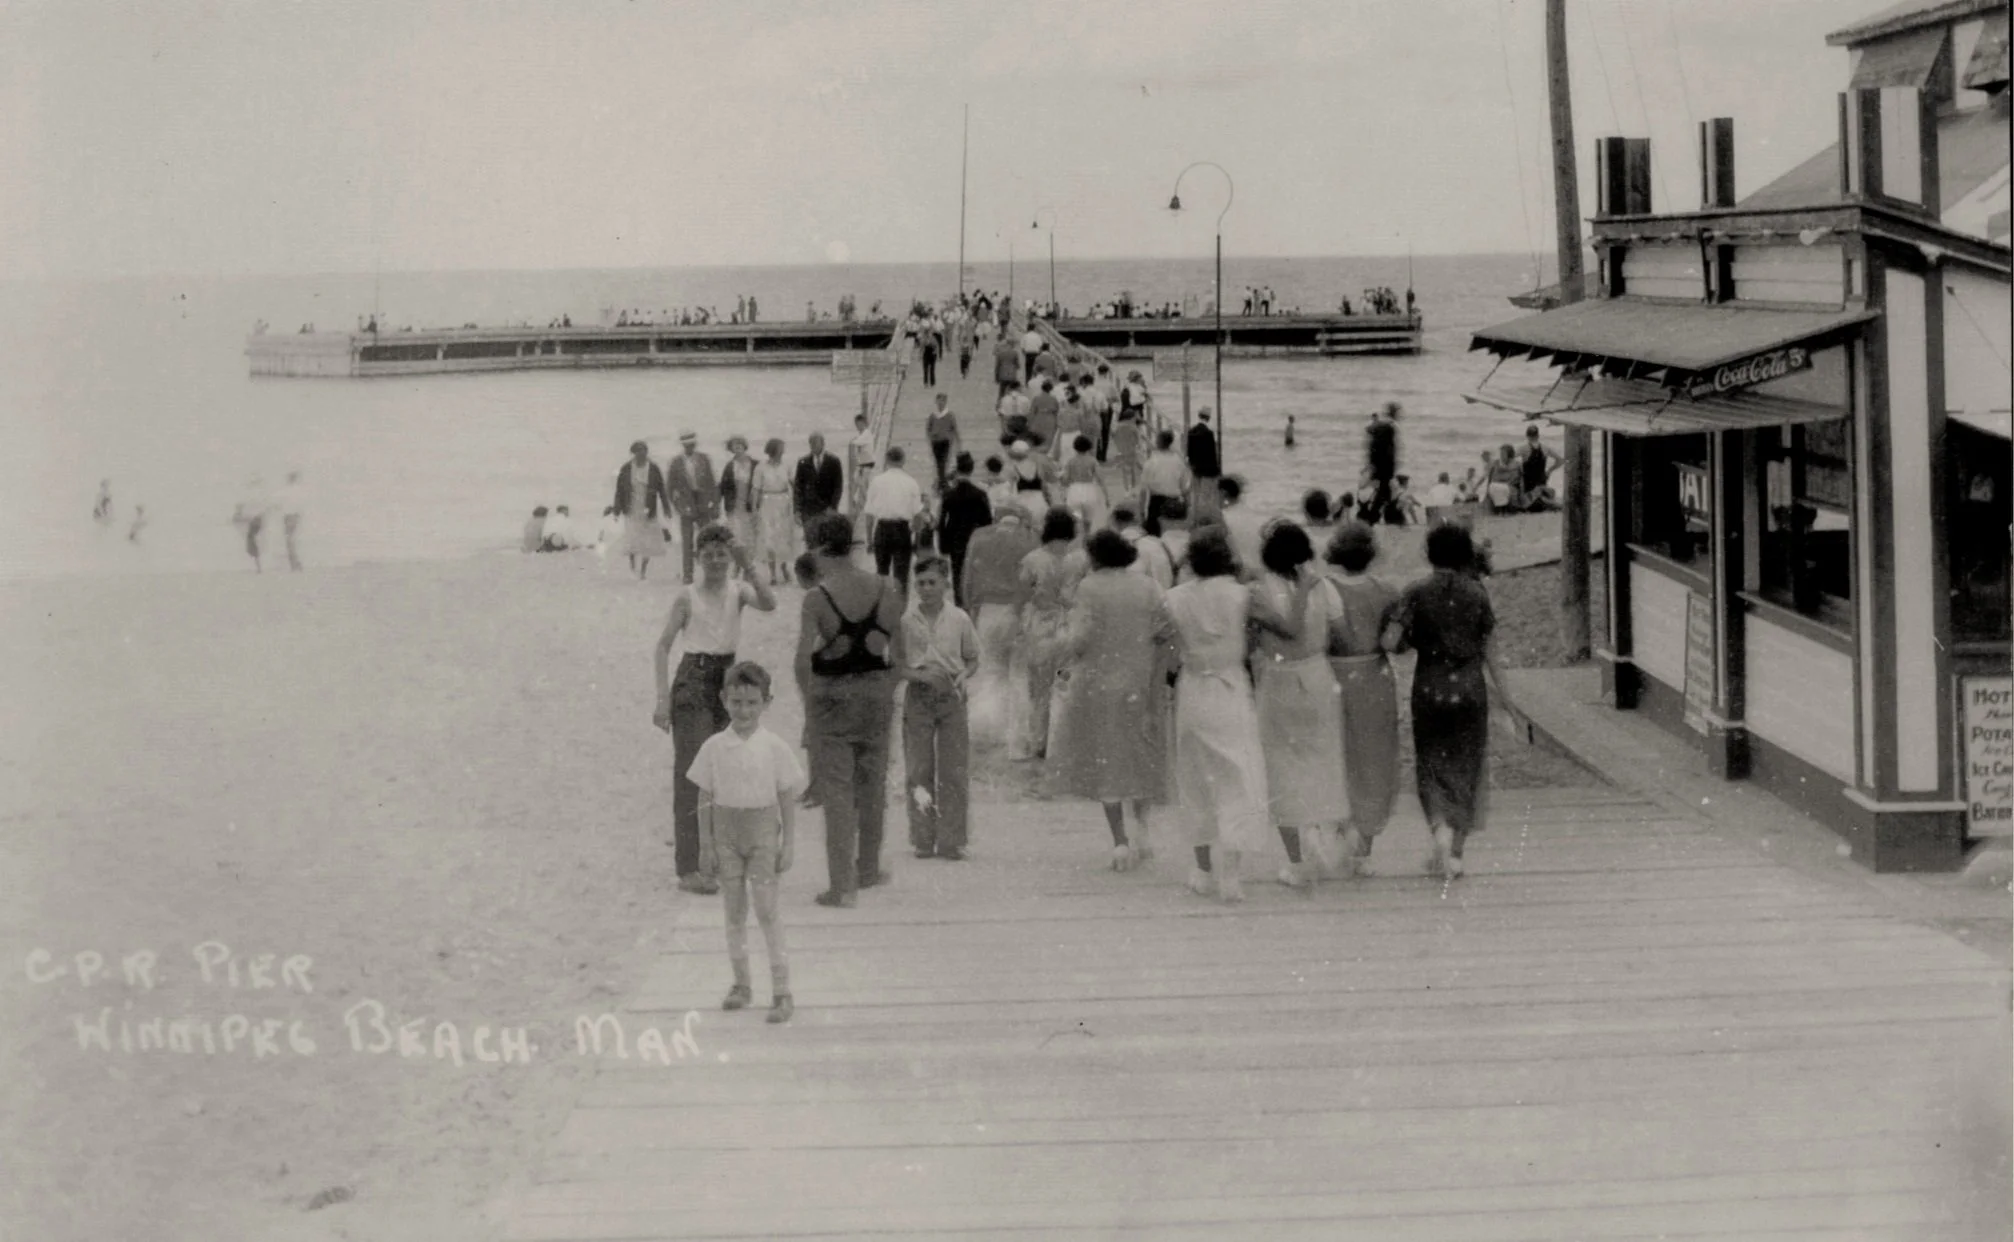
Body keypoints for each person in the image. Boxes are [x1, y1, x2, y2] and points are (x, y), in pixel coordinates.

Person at [654, 524, 777, 895]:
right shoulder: (687, 596)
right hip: (693, 678)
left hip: (728, 680)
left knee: (728, 770)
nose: (715, 561)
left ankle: (721, 858)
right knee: (693, 773)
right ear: (698, 558)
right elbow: (662, 646)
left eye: (722, 554)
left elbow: (770, 603)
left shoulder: (739, 590)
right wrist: (662, 700)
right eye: (708, 554)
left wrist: (747, 563)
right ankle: (689, 867)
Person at [1384, 522, 1510, 879]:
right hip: (1470, 687)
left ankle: (1439, 827)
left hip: (1430, 685)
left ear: (1430, 554)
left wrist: (1412, 638)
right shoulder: (1477, 593)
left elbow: (1391, 642)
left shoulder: (1415, 591)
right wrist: (1508, 701)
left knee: (1431, 762)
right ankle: (1456, 853)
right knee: (1467, 766)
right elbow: (1491, 652)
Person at [1046, 529, 1173, 871]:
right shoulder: (1148, 586)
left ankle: (1120, 842)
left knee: (1107, 763)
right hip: (1141, 681)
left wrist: (1057, 650)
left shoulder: (1090, 587)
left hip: (1099, 684)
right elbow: (1165, 632)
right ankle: (1143, 828)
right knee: (1140, 757)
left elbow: (1080, 638)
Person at [798, 513, 907, 908]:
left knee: (838, 792)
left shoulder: (817, 597)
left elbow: (801, 662)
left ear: (818, 548)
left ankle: (842, 886)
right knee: (872, 786)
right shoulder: (888, 588)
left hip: (832, 698)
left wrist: (810, 708)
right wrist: (884, 692)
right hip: (876, 696)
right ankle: (868, 868)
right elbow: (901, 658)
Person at [687, 661, 804, 1024]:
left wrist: (789, 843)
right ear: (724, 699)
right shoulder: (713, 747)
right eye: (736, 702)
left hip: (763, 834)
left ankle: (781, 990)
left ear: (766, 703)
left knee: (767, 910)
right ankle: (741, 984)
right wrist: (706, 844)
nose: (744, 711)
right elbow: (704, 796)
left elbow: (786, 795)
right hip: (726, 836)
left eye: (752, 703)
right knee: (734, 910)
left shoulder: (774, 746)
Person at [1163, 529, 1274, 904]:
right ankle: (1232, 873)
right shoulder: (1243, 595)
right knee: (1238, 777)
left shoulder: (1175, 597)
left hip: (1194, 688)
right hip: (1231, 687)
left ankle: (1201, 869)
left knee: (1195, 779)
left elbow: (1164, 643)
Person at [1251, 522, 1344, 889]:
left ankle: (1296, 860)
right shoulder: (1324, 586)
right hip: (1317, 673)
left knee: (1281, 767)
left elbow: (1261, 637)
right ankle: (1318, 829)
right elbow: (1339, 633)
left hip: (1279, 677)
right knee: (1320, 759)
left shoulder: (1258, 591)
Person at [1322, 521, 1401, 875]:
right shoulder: (1386, 591)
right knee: (1374, 758)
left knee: (1336, 754)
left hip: (1332, 674)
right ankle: (1364, 847)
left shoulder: (1324, 589)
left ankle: (1340, 830)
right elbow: (1396, 643)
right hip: (1373, 676)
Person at [901, 556, 979, 861]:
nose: (926, 588)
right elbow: (895, 664)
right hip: (919, 696)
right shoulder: (906, 621)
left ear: (946, 583)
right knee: (918, 769)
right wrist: (918, 676)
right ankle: (922, 838)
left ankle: (952, 840)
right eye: (920, 583)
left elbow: (972, 658)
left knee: (954, 769)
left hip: (951, 697)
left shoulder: (959, 618)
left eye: (932, 582)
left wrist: (963, 675)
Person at [960, 505, 1036, 747]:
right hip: (1019, 611)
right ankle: (1018, 740)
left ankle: (986, 731)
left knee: (991, 673)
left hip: (988, 610)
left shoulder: (979, 537)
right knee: (1019, 676)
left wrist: (969, 608)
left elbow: (967, 576)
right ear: (1020, 519)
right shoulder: (1029, 539)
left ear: (996, 519)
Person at [1015, 507, 1078, 761]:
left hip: (1040, 627)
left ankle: (1039, 741)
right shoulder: (1079, 559)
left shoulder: (1032, 559)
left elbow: (1022, 594)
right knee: (1065, 684)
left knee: (1039, 688)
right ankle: (1063, 740)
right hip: (1070, 625)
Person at [862, 447, 927, 590]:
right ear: (903, 460)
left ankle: (883, 602)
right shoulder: (911, 482)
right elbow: (918, 516)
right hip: (901, 530)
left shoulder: (877, 481)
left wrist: (869, 540)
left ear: (886, 460)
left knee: (881, 575)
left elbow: (869, 514)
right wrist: (917, 542)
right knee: (901, 577)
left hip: (882, 529)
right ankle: (900, 602)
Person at [935, 452, 993, 607]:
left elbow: (941, 522)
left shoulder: (949, 495)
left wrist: (943, 546)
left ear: (957, 470)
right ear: (971, 469)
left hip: (955, 542)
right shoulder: (980, 494)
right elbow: (988, 521)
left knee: (957, 576)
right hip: (975, 540)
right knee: (974, 576)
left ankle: (959, 606)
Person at [667, 431, 721, 584]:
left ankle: (710, 573)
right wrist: (677, 505)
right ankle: (688, 574)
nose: (689, 447)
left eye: (691, 444)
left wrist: (715, 504)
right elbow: (670, 487)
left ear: (695, 444)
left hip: (703, 503)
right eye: (686, 445)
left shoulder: (704, 459)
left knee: (707, 541)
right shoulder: (676, 462)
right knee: (687, 542)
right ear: (682, 445)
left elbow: (712, 482)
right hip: (686, 505)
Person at [613, 441, 671, 580]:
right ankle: (633, 566)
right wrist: (616, 510)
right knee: (632, 539)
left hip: (648, 508)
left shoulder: (653, 468)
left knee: (648, 541)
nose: (641, 453)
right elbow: (619, 491)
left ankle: (643, 570)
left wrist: (666, 507)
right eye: (638, 451)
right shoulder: (626, 468)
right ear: (633, 453)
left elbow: (661, 489)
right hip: (631, 507)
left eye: (644, 450)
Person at [753, 439, 796, 585]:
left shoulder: (786, 465)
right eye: (780, 449)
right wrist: (754, 509)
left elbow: (794, 484)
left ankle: (783, 568)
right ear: (773, 450)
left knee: (783, 538)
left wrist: (798, 503)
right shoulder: (761, 467)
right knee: (769, 538)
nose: (782, 452)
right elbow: (756, 489)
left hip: (783, 503)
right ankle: (772, 573)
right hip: (767, 503)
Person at [792, 433, 846, 534]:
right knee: (810, 538)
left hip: (827, 509)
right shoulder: (803, 462)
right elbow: (798, 487)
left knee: (826, 537)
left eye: (815, 443)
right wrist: (797, 511)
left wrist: (833, 507)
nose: (813, 446)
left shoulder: (833, 461)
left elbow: (838, 487)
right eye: (811, 443)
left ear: (823, 444)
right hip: (808, 510)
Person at [1216, 476, 1266, 578]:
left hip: (1238, 572)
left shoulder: (1223, 518)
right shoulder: (1253, 515)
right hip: (1259, 571)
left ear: (1222, 493)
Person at [1141, 430, 1191, 529]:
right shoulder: (1179, 462)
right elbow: (1185, 488)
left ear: (1157, 442)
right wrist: (1187, 506)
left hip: (1156, 503)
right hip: (1174, 502)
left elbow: (1143, 490)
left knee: (1154, 532)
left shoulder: (1151, 462)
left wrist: (1142, 511)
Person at [719, 436, 761, 552]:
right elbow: (723, 487)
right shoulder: (729, 466)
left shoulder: (755, 464)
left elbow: (761, 485)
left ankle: (751, 560)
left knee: (752, 534)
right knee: (737, 535)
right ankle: (739, 560)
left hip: (751, 504)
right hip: (735, 505)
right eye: (734, 445)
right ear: (731, 449)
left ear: (744, 446)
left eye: (739, 444)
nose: (737, 447)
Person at [1059, 435, 1107, 535]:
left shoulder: (1071, 461)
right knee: (1087, 525)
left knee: (1075, 521)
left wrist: (1062, 490)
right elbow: (1100, 479)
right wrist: (1107, 497)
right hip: (1089, 490)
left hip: (1074, 491)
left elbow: (1065, 480)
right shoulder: (1092, 461)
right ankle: (1086, 540)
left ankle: (1077, 540)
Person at [1185, 409, 1222, 521]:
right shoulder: (1209, 433)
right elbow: (1212, 454)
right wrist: (1217, 470)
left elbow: (1189, 452)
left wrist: (1192, 465)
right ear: (1208, 418)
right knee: (1206, 495)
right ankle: (1205, 517)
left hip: (1196, 468)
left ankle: (1194, 516)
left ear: (1199, 416)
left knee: (1196, 494)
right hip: (1207, 469)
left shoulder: (1191, 431)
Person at [1006, 439, 1054, 522]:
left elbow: (1010, 492)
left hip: (1024, 504)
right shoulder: (1037, 466)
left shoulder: (1013, 469)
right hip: (1039, 502)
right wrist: (1049, 502)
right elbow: (1044, 487)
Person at [232, 477, 271, 573]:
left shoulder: (253, 496)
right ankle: (258, 565)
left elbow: (249, 513)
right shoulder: (257, 495)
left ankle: (258, 566)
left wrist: (241, 516)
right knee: (253, 541)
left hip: (255, 521)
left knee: (252, 541)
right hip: (256, 520)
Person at [1520, 424, 1563, 510]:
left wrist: (1519, 469)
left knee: (1530, 502)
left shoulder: (1524, 448)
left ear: (1527, 436)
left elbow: (1510, 457)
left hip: (1528, 484)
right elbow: (1560, 460)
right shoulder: (1545, 448)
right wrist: (1550, 470)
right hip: (1542, 482)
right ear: (1538, 436)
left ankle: (1548, 503)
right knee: (1543, 498)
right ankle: (1550, 503)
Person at [925, 393, 960, 489]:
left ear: (945, 402)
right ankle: (942, 481)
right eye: (939, 401)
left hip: (945, 441)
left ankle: (942, 481)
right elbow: (928, 428)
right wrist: (931, 437)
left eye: (943, 401)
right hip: (935, 442)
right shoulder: (933, 415)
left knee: (943, 461)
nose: (940, 403)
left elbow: (954, 428)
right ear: (936, 402)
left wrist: (956, 440)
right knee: (938, 461)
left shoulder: (949, 415)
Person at [847, 414, 876, 511]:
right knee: (857, 481)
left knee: (861, 483)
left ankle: (868, 503)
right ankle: (856, 501)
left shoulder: (866, 434)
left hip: (867, 463)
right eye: (856, 425)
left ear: (864, 423)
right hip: (863, 463)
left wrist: (852, 441)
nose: (857, 427)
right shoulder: (863, 434)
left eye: (859, 424)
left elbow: (857, 442)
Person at [278, 470, 305, 570]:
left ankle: (294, 563)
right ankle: (295, 563)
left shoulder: (286, 490)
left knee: (289, 540)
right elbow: (300, 506)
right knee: (291, 539)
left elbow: (279, 503)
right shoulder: (298, 490)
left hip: (288, 516)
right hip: (294, 516)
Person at [1486, 444, 1524, 513]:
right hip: (1499, 489)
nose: (1501, 456)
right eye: (1500, 454)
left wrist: (1521, 495)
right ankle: (1501, 508)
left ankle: (1504, 508)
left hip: (1511, 490)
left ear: (1509, 455)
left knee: (1497, 487)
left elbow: (1522, 480)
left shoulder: (1517, 465)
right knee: (1493, 487)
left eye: (1503, 454)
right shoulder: (1496, 464)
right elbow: (1490, 480)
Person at [1027, 380, 1060, 452]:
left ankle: (1038, 450)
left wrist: (1029, 422)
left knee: (1039, 435)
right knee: (1049, 436)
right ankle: (1047, 451)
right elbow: (1057, 410)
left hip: (1039, 417)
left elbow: (1032, 411)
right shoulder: (1053, 398)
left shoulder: (1037, 398)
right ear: (1050, 389)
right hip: (1050, 418)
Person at [993, 330, 1022, 400]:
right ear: (1012, 345)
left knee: (1001, 392)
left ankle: (1000, 403)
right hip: (1012, 375)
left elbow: (997, 367)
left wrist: (996, 377)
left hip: (1002, 375)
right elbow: (1018, 365)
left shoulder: (1000, 353)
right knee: (1011, 392)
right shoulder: (1015, 353)